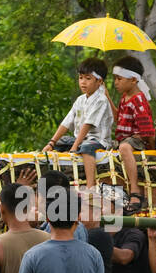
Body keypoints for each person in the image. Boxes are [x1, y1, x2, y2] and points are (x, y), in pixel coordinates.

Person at [43, 58, 113, 190]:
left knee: (86, 147)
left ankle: (90, 185)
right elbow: (67, 122)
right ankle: (59, 181)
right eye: (81, 78)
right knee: (60, 143)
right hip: (80, 139)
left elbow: (87, 125)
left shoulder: (101, 100)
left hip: (97, 140)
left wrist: (75, 146)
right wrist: (51, 142)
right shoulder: (80, 100)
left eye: (88, 78)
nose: (83, 82)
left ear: (99, 82)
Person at [111, 55, 156, 213]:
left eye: (119, 78)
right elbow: (119, 118)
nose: (116, 82)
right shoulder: (125, 97)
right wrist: (107, 98)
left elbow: (147, 130)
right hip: (124, 138)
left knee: (124, 148)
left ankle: (135, 190)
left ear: (133, 80)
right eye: (115, 78)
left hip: (136, 140)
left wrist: (152, 147)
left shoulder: (138, 99)